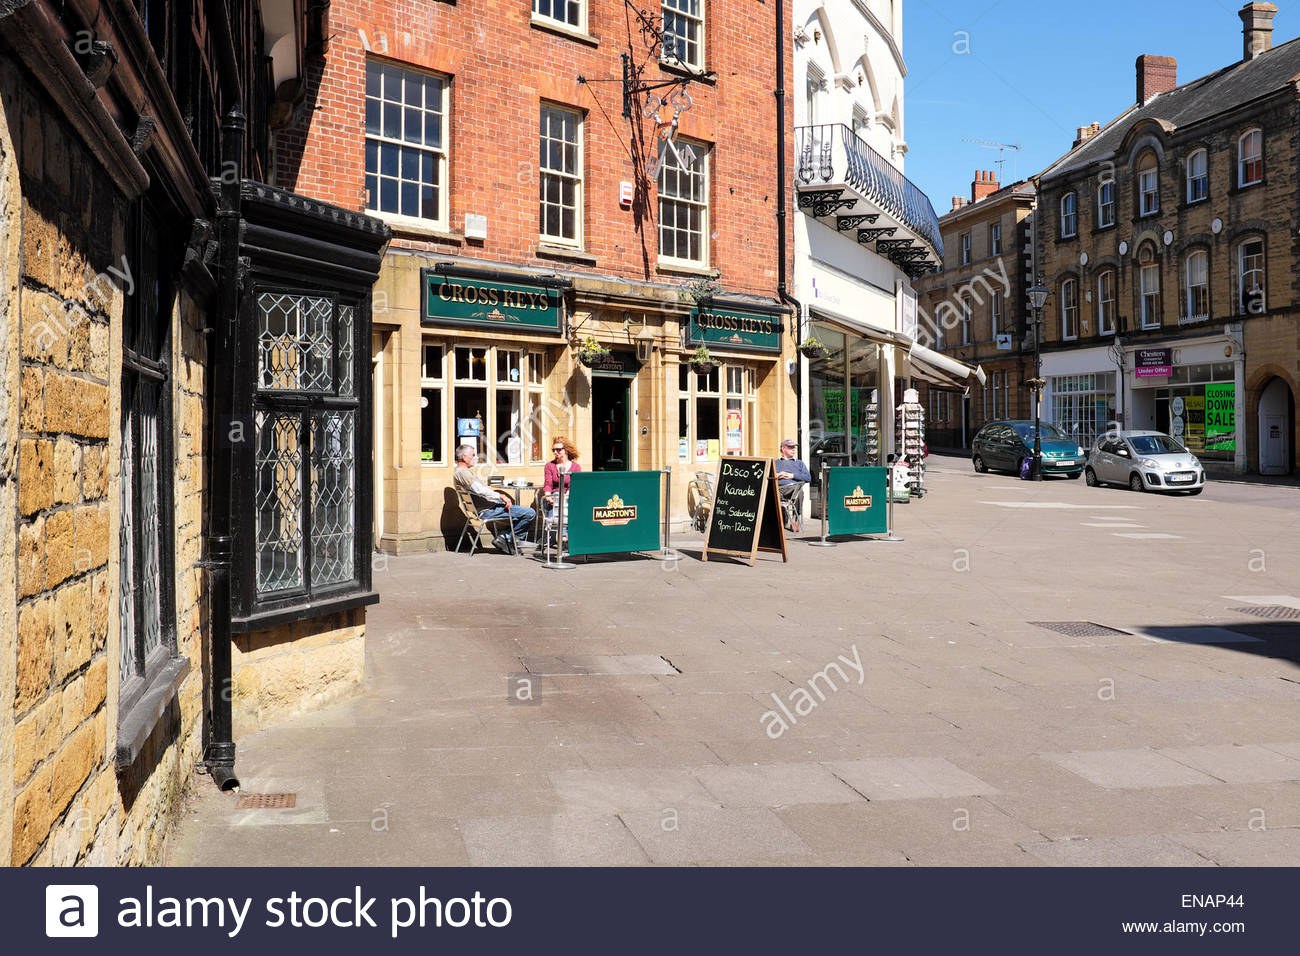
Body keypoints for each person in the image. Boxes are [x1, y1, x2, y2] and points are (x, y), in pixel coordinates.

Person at [454, 444, 534, 552]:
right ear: (464, 457)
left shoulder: (461, 472)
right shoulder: (463, 472)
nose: (475, 457)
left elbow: (479, 490)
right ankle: (505, 537)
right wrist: (500, 496)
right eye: (473, 455)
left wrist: (497, 499)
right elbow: (479, 490)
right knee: (529, 513)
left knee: (517, 515)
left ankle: (504, 538)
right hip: (487, 511)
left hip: (487, 508)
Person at [775, 438, 811, 532]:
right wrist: (777, 475)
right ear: (783, 449)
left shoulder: (799, 463)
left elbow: (808, 478)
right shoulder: (776, 462)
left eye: (794, 448)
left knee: (800, 492)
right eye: (790, 447)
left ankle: (794, 520)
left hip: (794, 489)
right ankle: (779, 520)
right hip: (779, 489)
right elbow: (768, 476)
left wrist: (792, 475)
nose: (793, 450)